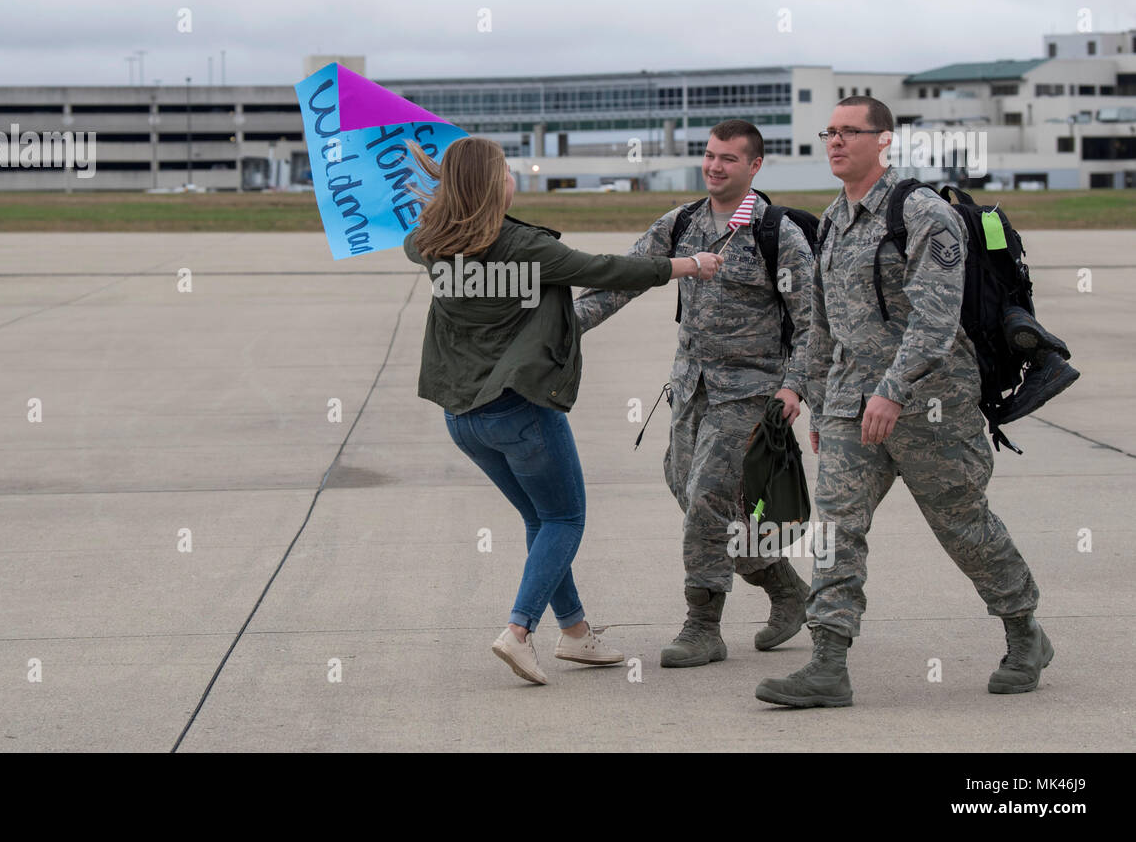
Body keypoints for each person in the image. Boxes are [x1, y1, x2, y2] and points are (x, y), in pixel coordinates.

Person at [755, 96, 1051, 708]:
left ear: (884, 140)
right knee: (836, 529)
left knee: (962, 526)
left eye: (849, 132)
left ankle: (1024, 632)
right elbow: (822, 325)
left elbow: (937, 320)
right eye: (828, 132)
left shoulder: (920, 213)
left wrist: (892, 392)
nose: (835, 142)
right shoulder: (834, 218)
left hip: (930, 405)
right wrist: (812, 395)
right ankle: (828, 664)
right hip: (849, 405)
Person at [402, 136, 718, 685]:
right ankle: (518, 631)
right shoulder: (525, 247)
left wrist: (444, 200)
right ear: (489, 182)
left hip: (464, 418)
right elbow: (606, 269)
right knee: (566, 518)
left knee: (540, 518)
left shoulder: (428, 243)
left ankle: (575, 634)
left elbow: (427, 233)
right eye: (504, 169)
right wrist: (688, 264)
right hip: (518, 410)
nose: (512, 176)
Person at [574, 120, 815, 668]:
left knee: (707, 495)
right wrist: (565, 325)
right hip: (690, 387)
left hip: (750, 393)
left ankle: (703, 624)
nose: (714, 166)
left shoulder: (776, 234)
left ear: (754, 167)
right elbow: (626, 277)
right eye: (709, 155)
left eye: (729, 158)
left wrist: (796, 386)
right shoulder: (680, 222)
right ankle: (784, 586)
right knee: (686, 487)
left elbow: (811, 323)